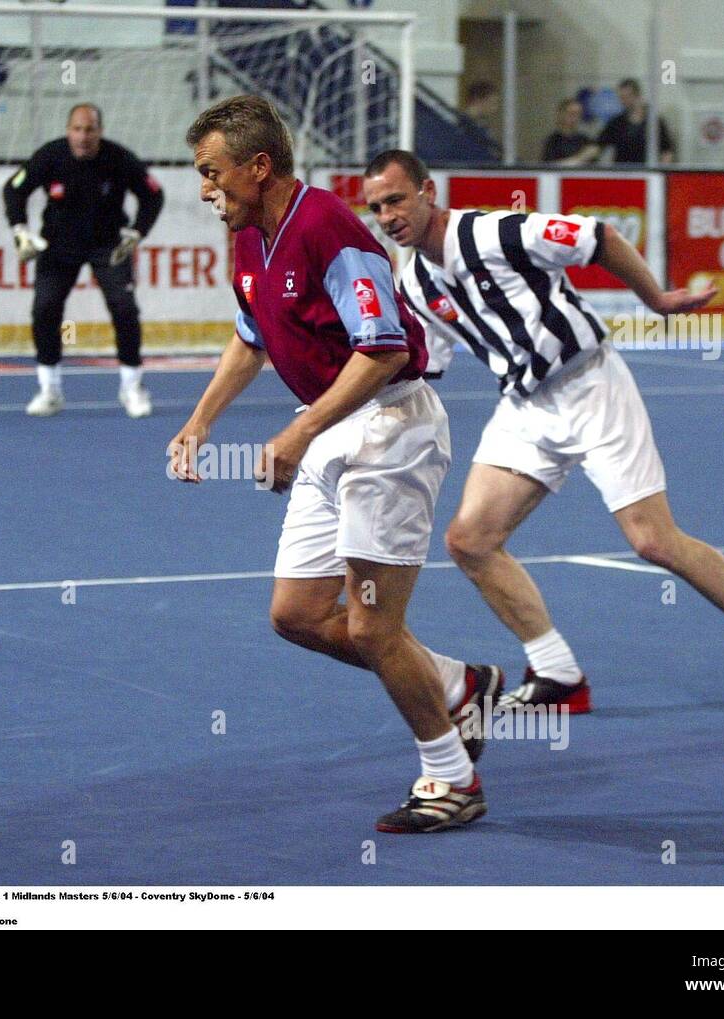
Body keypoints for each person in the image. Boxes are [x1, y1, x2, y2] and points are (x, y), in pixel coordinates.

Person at [360, 149, 724, 725]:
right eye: (376, 208)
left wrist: (655, 299)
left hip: (591, 385)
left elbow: (596, 237)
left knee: (653, 540)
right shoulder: (414, 280)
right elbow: (425, 363)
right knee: (470, 540)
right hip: (526, 407)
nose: (387, 216)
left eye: (396, 200)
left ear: (428, 191)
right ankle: (558, 674)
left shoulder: (497, 231)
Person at [171, 95, 503, 835]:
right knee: (296, 614)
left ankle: (452, 778)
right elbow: (251, 337)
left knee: (374, 624)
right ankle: (458, 683)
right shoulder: (250, 235)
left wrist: (300, 433)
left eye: (212, 173)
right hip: (332, 428)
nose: (206, 190)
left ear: (259, 168)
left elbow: (383, 349)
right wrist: (202, 419)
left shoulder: (328, 227)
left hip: (391, 430)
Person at [3, 103, 164, 418]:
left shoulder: (118, 158)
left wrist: (136, 233)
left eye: (90, 130)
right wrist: (20, 230)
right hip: (58, 245)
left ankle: (132, 386)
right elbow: (14, 189)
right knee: (45, 307)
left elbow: (153, 195)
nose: (83, 136)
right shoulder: (51, 155)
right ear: (68, 131)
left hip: (108, 245)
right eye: (77, 129)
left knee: (125, 307)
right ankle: (49, 389)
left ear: (100, 132)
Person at [593, 78, 675, 165]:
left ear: (637, 96)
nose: (623, 101)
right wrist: (577, 161)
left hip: (647, 172)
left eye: (626, 97)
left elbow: (667, 151)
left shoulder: (654, 122)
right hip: (622, 173)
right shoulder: (617, 122)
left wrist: (661, 172)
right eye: (621, 98)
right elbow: (597, 146)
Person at [540, 98, 592, 164]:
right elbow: (549, 166)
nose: (574, 118)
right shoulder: (552, 141)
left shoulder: (586, 140)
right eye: (571, 113)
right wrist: (579, 159)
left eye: (578, 114)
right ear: (561, 114)